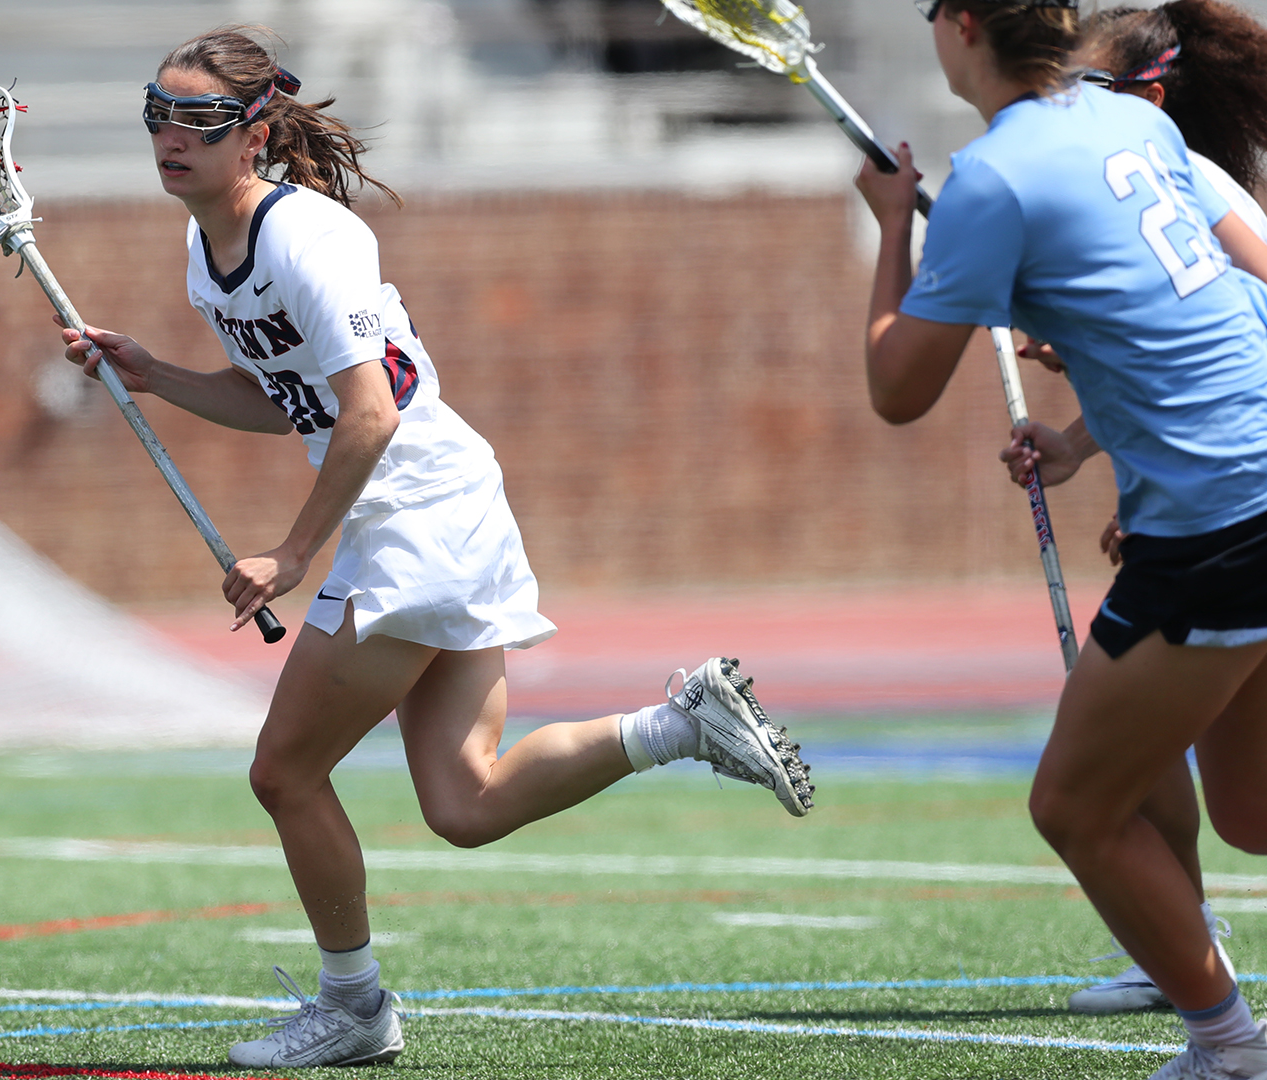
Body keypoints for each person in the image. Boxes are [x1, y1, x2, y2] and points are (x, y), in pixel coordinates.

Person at [60, 26, 815, 1069]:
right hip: (434, 503)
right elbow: (291, 403)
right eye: (158, 113)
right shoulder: (205, 253)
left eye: (197, 118)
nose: (170, 137)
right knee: (465, 801)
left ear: (255, 133)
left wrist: (291, 554)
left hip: (415, 514)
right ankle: (679, 725)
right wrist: (155, 376)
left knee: (284, 774)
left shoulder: (305, 238)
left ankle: (355, 1004)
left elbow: (365, 416)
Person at [857, 1, 1267, 1077]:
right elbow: (1257, 290)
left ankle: (1229, 1048)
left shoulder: (995, 177)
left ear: (965, 26)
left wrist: (895, 225)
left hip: (1229, 523)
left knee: (1076, 807)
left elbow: (897, 389)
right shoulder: (1130, 122)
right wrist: (1104, 418)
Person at [993, 0, 1267, 1018]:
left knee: (1190, 787)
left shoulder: (1168, 172)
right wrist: (1083, 436)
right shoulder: (1137, 176)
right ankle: (1182, 953)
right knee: (1260, 804)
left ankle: (1203, 995)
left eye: (1080, 84)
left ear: (1144, 95)